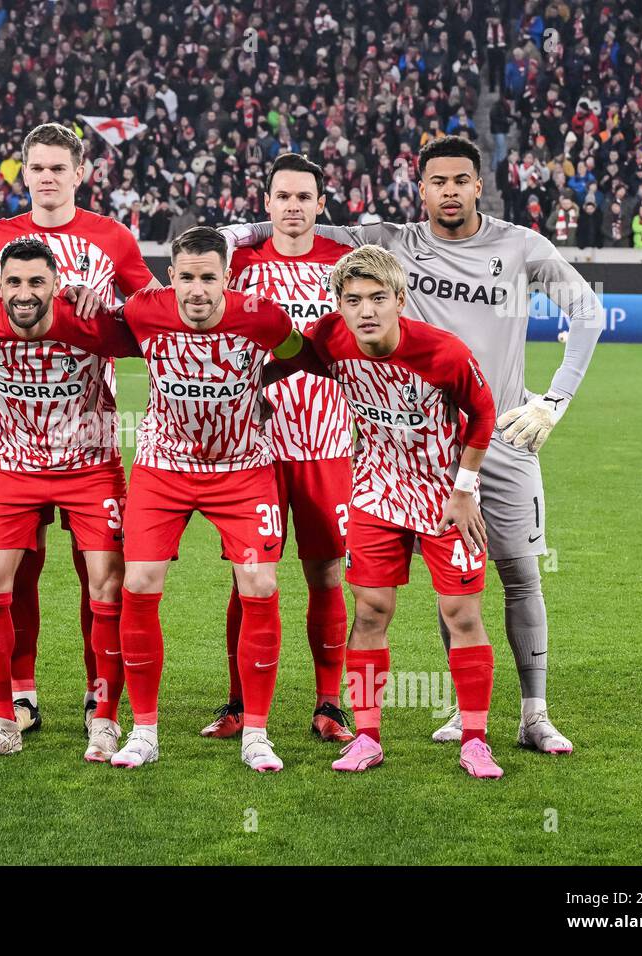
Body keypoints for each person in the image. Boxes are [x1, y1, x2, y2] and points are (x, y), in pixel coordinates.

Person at [221, 135, 606, 754]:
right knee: (451, 586)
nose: (449, 192)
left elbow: (587, 311)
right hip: (415, 450)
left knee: (519, 572)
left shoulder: (520, 246)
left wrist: (554, 399)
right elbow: (300, 221)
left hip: (500, 433)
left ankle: (534, 713)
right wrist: (230, 236)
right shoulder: (395, 241)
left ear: (479, 184)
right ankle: (462, 711)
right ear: (419, 187)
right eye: (437, 182)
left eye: (461, 180)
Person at [284, 244, 503, 779]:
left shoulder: (444, 352)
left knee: (463, 614)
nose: (366, 311)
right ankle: (366, 737)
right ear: (337, 303)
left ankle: (475, 740)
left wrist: (466, 488)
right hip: (377, 489)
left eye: (379, 298)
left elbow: (483, 412)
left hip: (443, 494)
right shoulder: (329, 338)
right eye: (353, 299)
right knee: (370, 613)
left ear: (399, 300)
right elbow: (279, 359)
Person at [0, 122, 159, 736]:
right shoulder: (0, 235)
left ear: (80, 174)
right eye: (37, 168)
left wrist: (100, 309)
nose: (47, 178)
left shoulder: (113, 238)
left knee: (100, 579)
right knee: (13, 574)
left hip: (89, 439)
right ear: (23, 173)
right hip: (15, 441)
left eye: (59, 168)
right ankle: (18, 700)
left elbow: (152, 314)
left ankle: (98, 700)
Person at [111, 226, 304, 774]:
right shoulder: (144, 311)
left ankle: (257, 734)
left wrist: (258, 382)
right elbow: (104, 335)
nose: (197, 290)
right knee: (139, 584)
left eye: (208, 278)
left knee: (260, 584)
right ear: (171, 277)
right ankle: (144, 731)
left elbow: (296, 352)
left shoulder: (263, 316)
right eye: (187, 278)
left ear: (227, 278)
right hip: (162, 468)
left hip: (242, 470)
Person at [0, 237, 132, 762]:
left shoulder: (93, 323)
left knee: (106, 585)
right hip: (14, 467)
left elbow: (156, 329)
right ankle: (2, 721)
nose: (24, 294)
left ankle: (106, 716)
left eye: (36, 282)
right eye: (13, 282)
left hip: (90, 467)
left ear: (57, 284)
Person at [202, 152, 355, 743]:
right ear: (266, 204)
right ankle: (239, 704)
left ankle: (329, 704)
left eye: (303, 198)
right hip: (254, 447)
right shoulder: (238, 263)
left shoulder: (345, 265)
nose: (292, 207)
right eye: (282, 197)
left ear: (321, 204)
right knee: (249, 575)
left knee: (325, 575)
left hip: (326, 442)